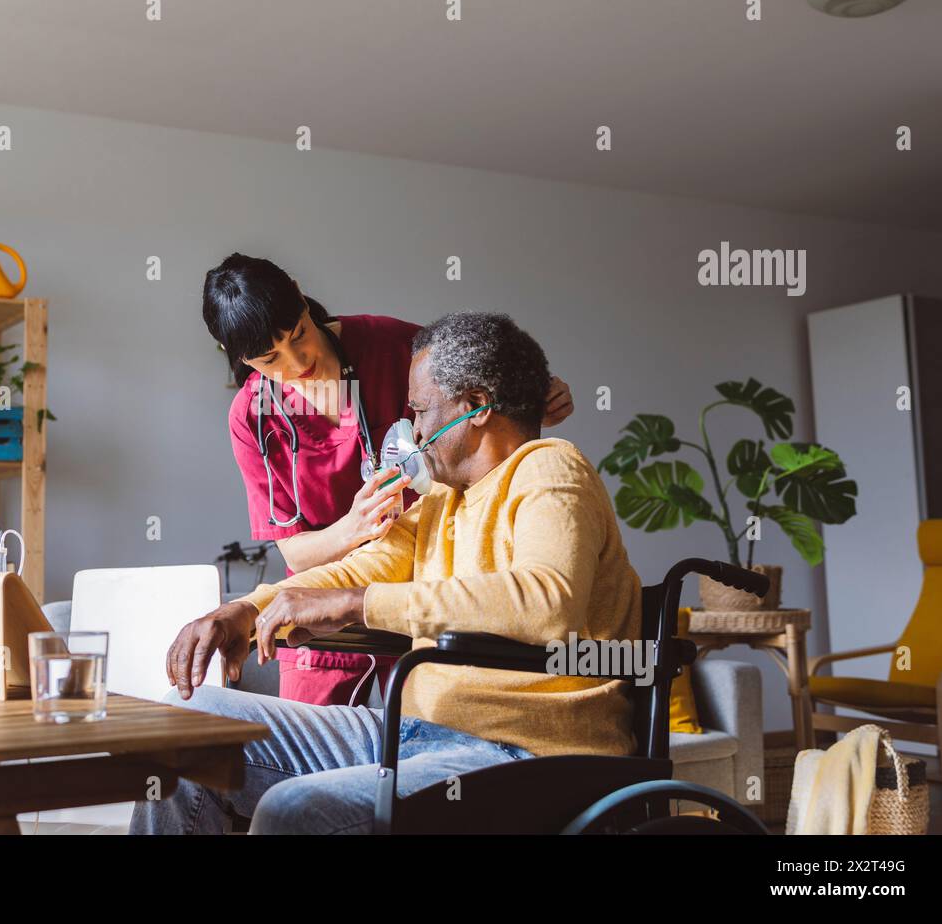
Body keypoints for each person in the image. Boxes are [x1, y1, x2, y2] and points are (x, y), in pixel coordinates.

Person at [134, 311, 641, 834]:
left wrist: (359, 606)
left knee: (294, 811)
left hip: (523, 755)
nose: (413, 430)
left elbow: (547, 603)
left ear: (476, 406)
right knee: (186, 729)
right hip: (411, 735)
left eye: (420, 410)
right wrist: (245, 610)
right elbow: (358, 571)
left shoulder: (549, 467)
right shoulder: (440, 500)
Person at [204, 253, 573, 706]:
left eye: (298, 334)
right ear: (237, 357)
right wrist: (352, 530)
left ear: (301, 295)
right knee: (308, 738)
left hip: (424, 582)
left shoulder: (391, 345)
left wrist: (539, 393)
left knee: (443, 709)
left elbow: (483, 381)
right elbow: (295, 550)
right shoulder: (252, 417)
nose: (297, 360)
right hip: (323, 595)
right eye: (268, 358)